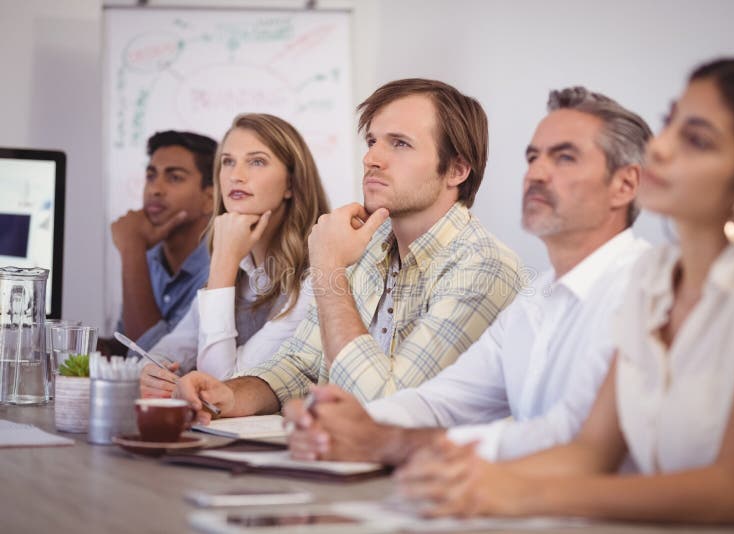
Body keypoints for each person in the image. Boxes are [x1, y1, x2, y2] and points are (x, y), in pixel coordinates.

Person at [396, 58, 734, 528]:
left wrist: (520, 492)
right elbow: (590, 451)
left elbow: (731, 493)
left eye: (697, 139)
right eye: (670, 123)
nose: (661, 149)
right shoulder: (653, 276)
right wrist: (465, 477)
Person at [283, 87, 653, 464]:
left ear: (625, 185)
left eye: (565, 157)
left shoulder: (645, 290)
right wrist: (335, 423)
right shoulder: (537, 299)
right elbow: (440, 402)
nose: (536, 173)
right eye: (533, 157)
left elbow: (568, 435)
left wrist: (386, 439)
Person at [175, 79, 522, 423]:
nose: (371, 158)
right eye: (372, 141)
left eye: (399, 143)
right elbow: (299, 367)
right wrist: (230, 395)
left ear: (457, 170)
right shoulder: (369, 247)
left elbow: (389, 409)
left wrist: (329, 269)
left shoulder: (484, 267)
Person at [139, 113, 330, 395]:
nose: (235, 176)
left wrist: (223, 263)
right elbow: (162, 354)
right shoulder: (241, 265)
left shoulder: (314, 278)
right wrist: (151, 375)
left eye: (256, 161)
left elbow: (224, 385)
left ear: (290, 184)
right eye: (228, 161)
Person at [109, 130, 217, 352]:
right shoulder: (150, 256)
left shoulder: (220, 269)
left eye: (174, 177)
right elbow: (127, 343)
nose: (155, 189)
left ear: (210, 198)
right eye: (151, 176)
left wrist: (132, 248)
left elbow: (157, 361)